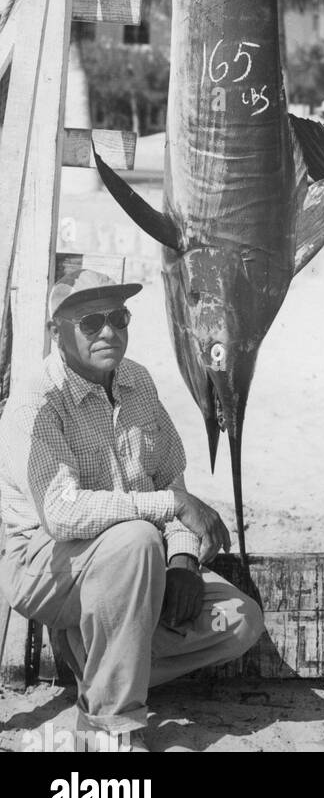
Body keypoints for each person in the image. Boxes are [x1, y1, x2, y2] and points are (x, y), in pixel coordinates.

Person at [0, 271, 264, 752]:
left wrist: (182, 561)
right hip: (44, 565)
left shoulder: (136, 379)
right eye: (91, 322)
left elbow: (170, 479)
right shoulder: (35, 401)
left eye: (119, 318)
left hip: (131, 568)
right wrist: (171, 510)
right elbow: (61, 514)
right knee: (139, 536)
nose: (108, 332)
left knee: (241, 619)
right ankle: (110, 723)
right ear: (56, 330)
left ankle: (94, 657)